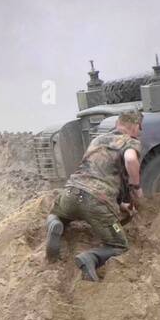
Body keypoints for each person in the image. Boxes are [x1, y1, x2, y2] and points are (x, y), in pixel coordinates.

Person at [44, 110, 144, 281]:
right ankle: (90, 258)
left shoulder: (97, 140)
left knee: (55, 213)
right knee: (120, 245)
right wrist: (136, 186)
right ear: (135, 127)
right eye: (140, 127)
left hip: (71, 192)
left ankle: (55, 224)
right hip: (97, 203)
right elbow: (130, 160)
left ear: (117, 124)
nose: (140, 131)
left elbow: (94, 176)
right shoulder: (130, 142)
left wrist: (119, 205)